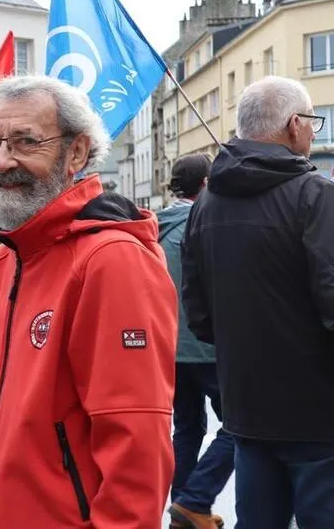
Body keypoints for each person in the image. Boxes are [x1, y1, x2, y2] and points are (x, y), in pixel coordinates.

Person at [0, 76, 177, 527]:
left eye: (25, 142)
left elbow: (136, 450)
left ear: (75, 153)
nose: (2, 161)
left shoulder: (111, 261)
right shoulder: (3, 263)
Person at [182, 76, 334, 527]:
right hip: (318, 412)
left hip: (246, 408)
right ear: (293, 125)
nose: (313, 132)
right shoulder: (315, 195)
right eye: (311, 122)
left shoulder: (205, 204)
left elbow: (200, 317)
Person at [157, 154, 233, 529]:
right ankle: (195, 499)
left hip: (170, 349)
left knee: (187, 430)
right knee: (241, 427)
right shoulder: (207, 223)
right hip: (209, 347)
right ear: (205, 183)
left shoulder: (156, 226)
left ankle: (185, 510)